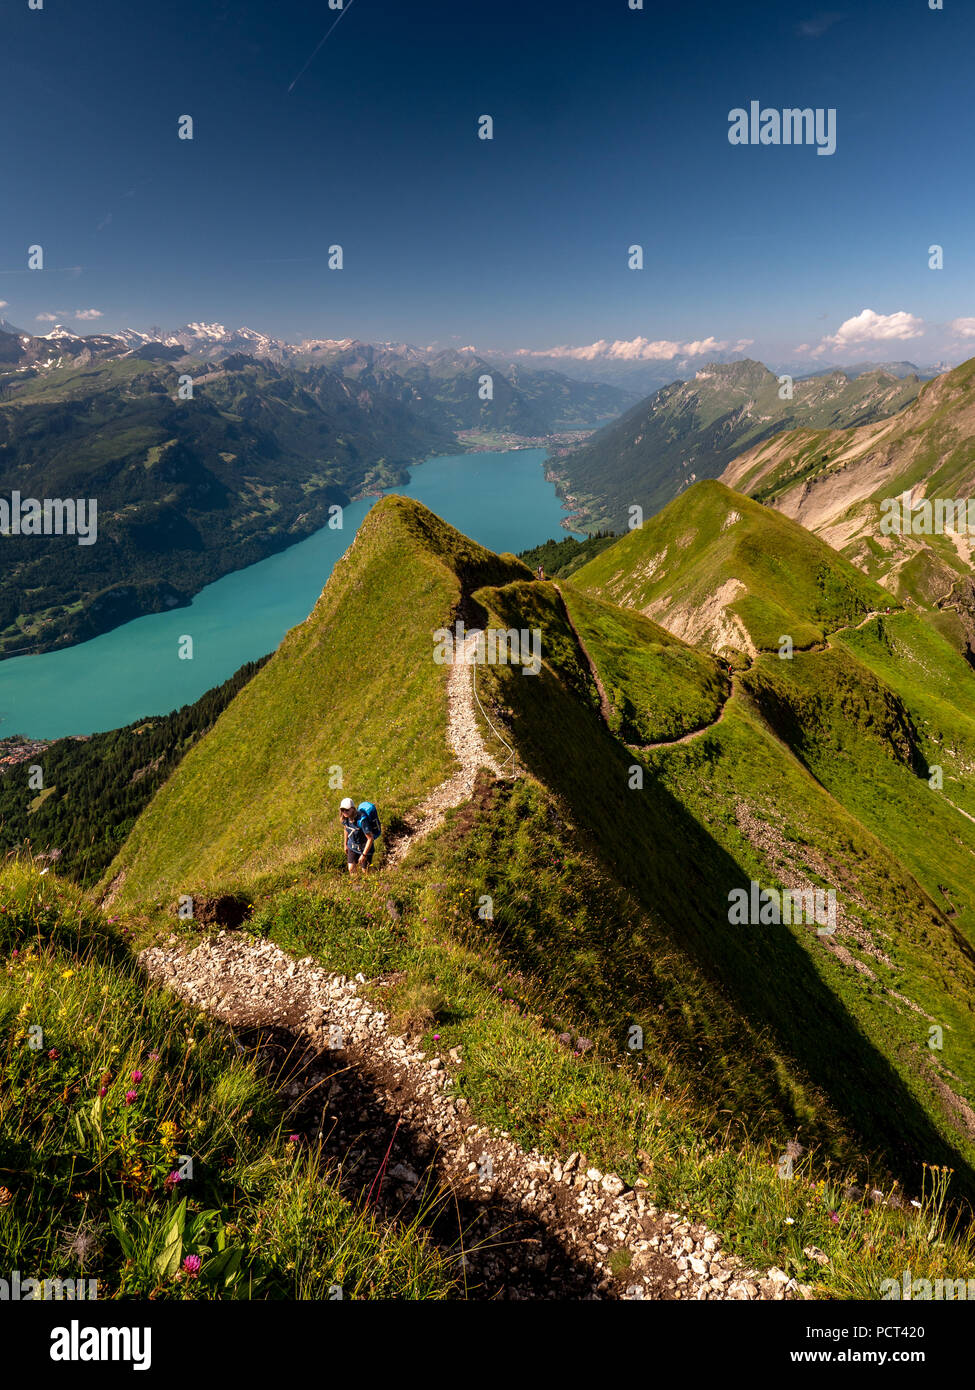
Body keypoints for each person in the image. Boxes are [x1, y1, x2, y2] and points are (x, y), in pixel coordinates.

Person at [339, 796, 376, 874]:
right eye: (342, 810)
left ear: (353, 808)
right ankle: (355, 884)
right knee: (351, 869)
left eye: (347, 810)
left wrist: (364, 854)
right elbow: (346, 829)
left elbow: (370, 838)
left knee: (365, 871)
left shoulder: (362, 820)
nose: (344, 812)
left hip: (365, 848)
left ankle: (373, 878)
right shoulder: (345, 818)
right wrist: (345, 844)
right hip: (352, 846)